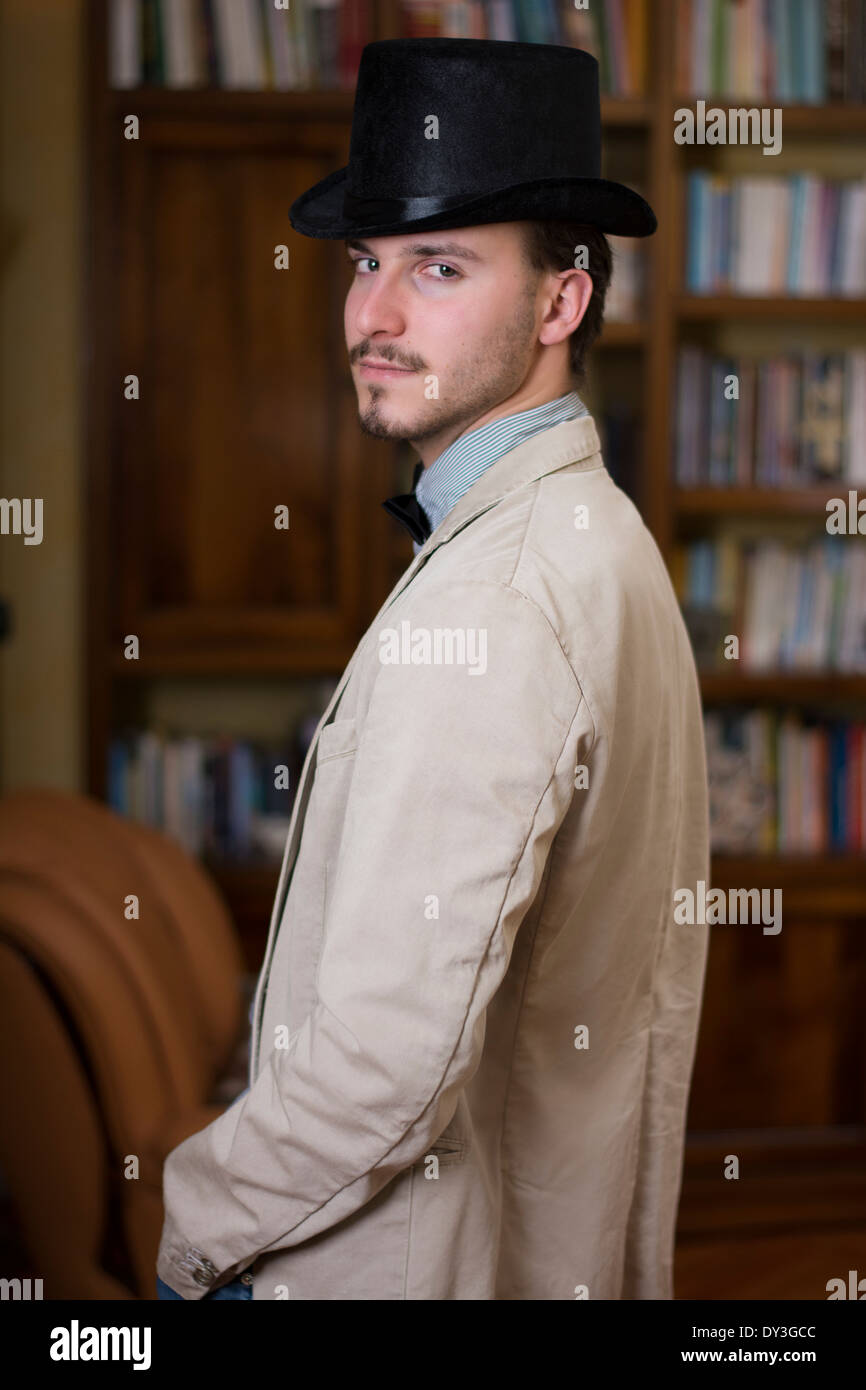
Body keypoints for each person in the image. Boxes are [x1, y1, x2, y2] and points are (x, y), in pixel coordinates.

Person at [156, 36, 710, 1302]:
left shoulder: (502, 599)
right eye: (367, 263)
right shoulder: (593, 534)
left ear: (560, 302)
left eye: (440, 268)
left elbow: (378, 1069)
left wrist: (193, 1236)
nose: (373, 314)